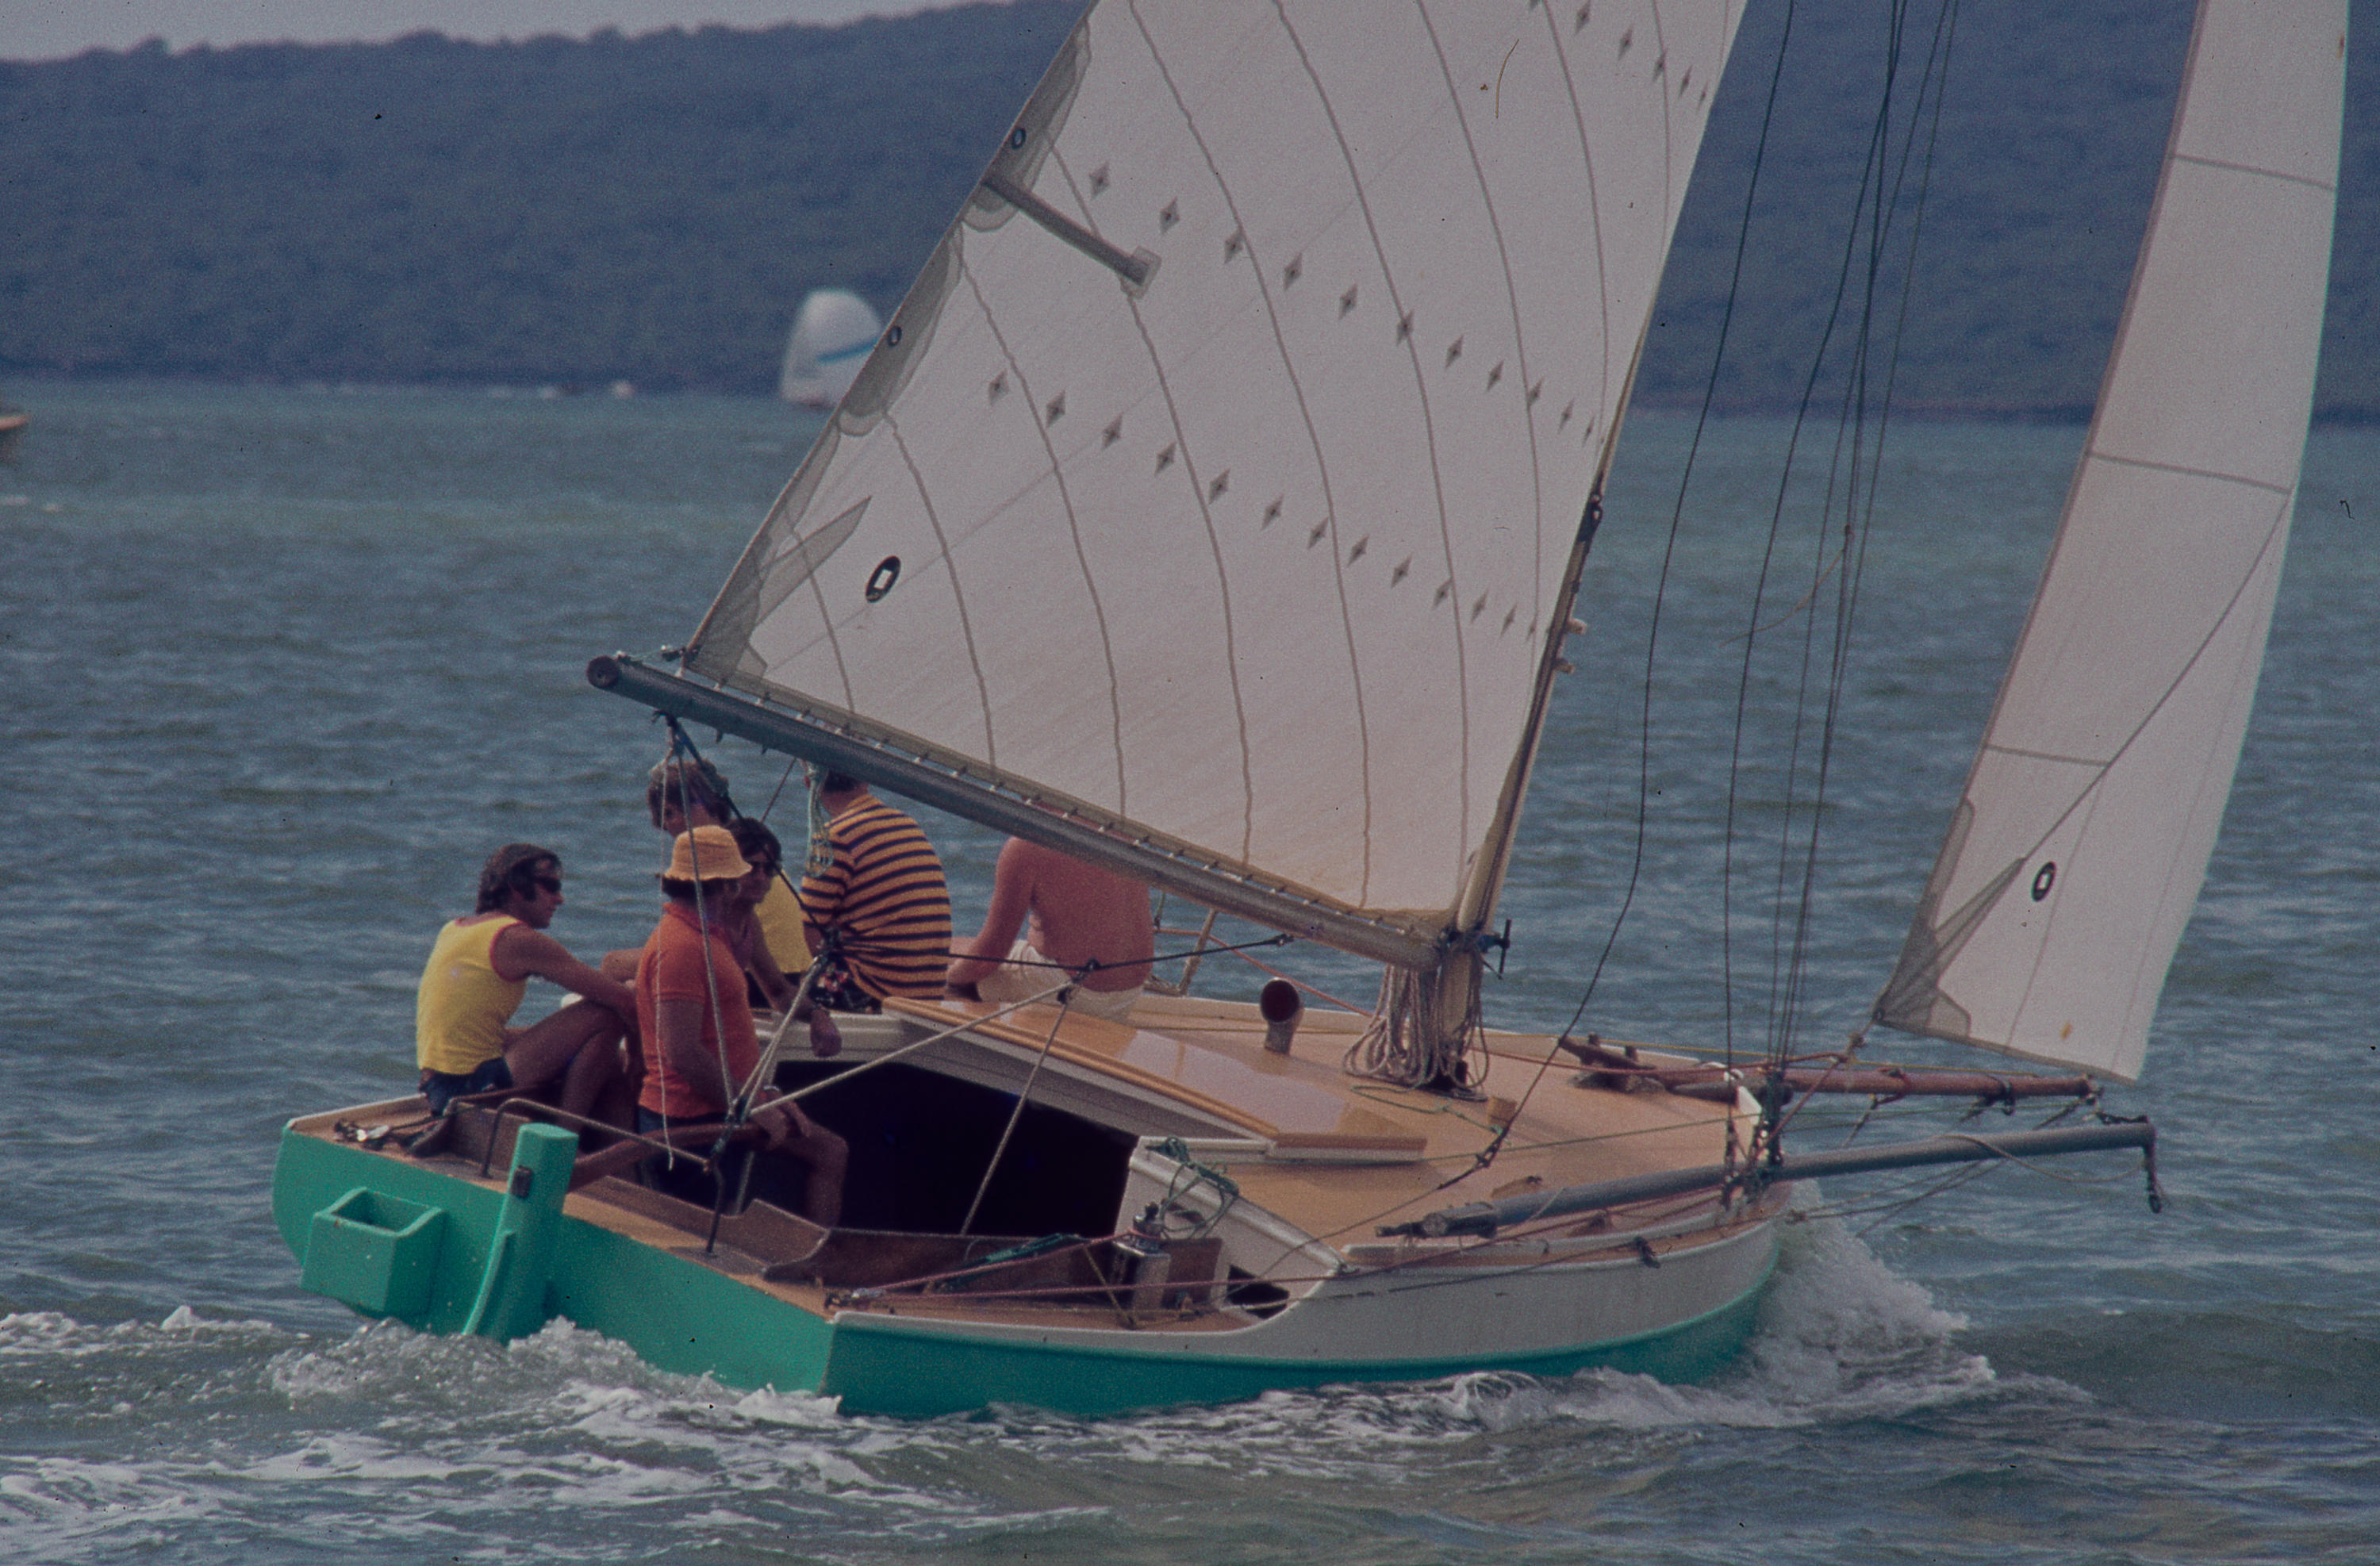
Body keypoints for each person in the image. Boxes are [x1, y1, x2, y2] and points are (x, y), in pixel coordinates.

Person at [637, 825, 846, 1224]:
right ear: (724, 882)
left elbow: (778, 992)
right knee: (699, 1231)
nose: (755, 880)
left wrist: (760, 1097)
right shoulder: (681, 946)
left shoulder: (709, 936)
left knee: (828, 1150)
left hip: (726, 1103)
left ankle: (811, 1263)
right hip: (691, 1116)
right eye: (744, 870)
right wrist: (749, 1107)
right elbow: (681, 1052)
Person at [415, 844, 637, 1119]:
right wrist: (642, 1064)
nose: (560, 899)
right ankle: (565, 1136)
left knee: (601, 1053)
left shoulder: (454, 928)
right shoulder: (516, 939)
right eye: (552, 886)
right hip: (473, 1088)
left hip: (437, 1085)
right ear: (517, 888)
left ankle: (608, 1136)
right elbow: (623, 1000)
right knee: (603, 1015)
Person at [946, 837, 1154, 1022]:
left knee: (942, 963)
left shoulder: (1028, 844)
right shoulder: (1122, 833)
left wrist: (948, 978)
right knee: (955, 948)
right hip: (1128, 995)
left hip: (1070, 991)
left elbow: (988, 956)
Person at [798, 772, 953, 1011]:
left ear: (809, 782)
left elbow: (807, 936)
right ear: (866, 777)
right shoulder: (906, 823)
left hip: (875, 994)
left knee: (779, 986)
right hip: (928, 992)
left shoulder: (833, 838)